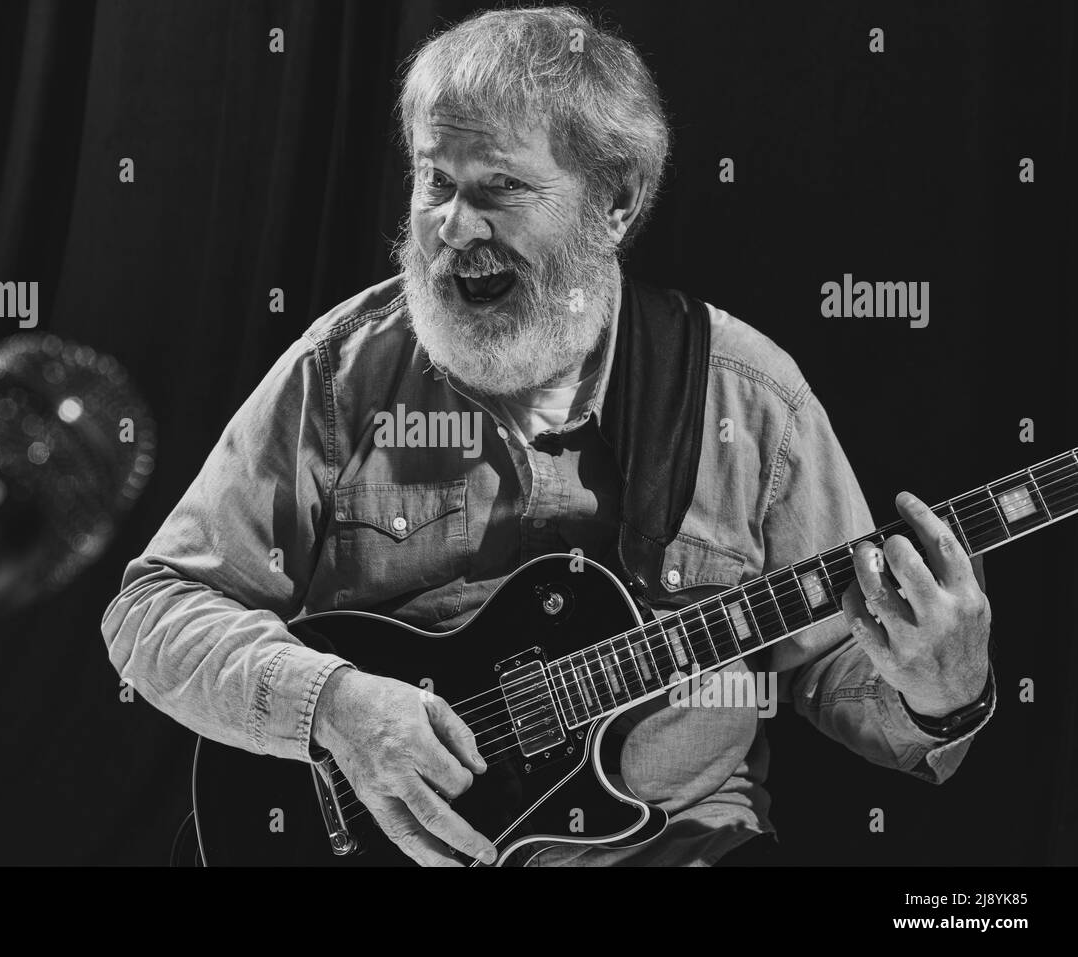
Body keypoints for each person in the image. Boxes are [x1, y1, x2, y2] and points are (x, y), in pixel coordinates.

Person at [100, 5, 995, 867]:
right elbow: (151, 611)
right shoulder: (341, 374)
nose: (452, 226)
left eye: (499, 188)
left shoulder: (750, 396)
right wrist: (333, 703)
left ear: (616, 203)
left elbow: (838, 666)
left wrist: (942, 689)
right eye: (434, 181)